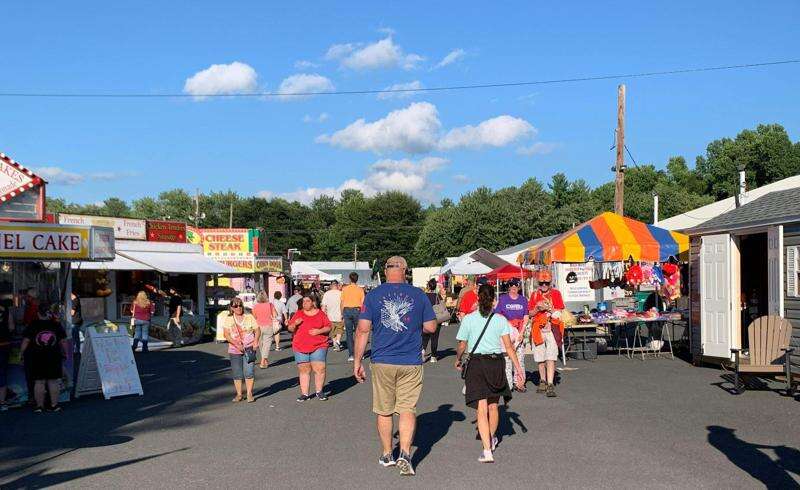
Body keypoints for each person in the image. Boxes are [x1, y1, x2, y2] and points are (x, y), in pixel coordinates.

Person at [354, 256, 437, 477]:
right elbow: (430, 326)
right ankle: (406, 453)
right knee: (407, 408)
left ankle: (388, 453)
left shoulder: (373, 295)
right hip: (410, 360)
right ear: (405, 271)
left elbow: (363, 329)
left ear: (386, 270)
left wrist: (357, 361)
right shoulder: (418, 295)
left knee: (384, 409)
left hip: (382, 360)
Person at [455, 285, 525, 463]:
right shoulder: (500, 320)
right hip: (496, 363)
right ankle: (492, 438)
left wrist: (458, 358)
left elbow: (462, 345)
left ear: (477, 298)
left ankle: (487, 450)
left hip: (477, 363)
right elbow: (508, 347)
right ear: (494, 299)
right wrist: (518, 368)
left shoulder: (469, 319)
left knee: (482, 407)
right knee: (494, 405)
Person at [20, 302, 68, 413]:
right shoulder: (56, 325)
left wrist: (21, 353)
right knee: (53, 381)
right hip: (54, 356)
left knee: (39, 382)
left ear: (38, 313)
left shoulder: (33, 324)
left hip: (36, 357)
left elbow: (26, 341)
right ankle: (54, 405)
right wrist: (66, 353)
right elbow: (63, 341)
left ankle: (39, 406)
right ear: (49, 313)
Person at [287, 294, 332, 402]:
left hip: (319, 345)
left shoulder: (320, 314)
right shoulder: (298, 314)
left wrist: (318, 331)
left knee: (319, 368)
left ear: (313, 302)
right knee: (304, 369)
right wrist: (294, 324)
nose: (305, 303)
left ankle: (319, 391)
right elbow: (290, 328)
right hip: (300, 345)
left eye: (307, 301)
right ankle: (304, 394)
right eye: (303, 301)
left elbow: (328, 327)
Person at [528, 270, 565, 397]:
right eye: (542, 282)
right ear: (538, 282)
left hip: (552, 328)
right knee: (540, 357)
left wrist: (549, 308)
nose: (544, 285)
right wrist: (537, 308)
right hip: (538, 329)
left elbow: (560, 311)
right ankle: (542, 380)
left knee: (551, 356)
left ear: (550, 283)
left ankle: (550, 383)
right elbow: (530, 314)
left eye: (546, 282)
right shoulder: (534, 295)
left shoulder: (556, 293)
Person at [222, 297, 260, 403]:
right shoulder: (229, 319)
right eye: (235, 306)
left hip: (249, 348)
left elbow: (257, 330)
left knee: (249, 371)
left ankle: (249, 393)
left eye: (240, 305)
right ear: (231, 308)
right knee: (237, 373)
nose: (238, 308)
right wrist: (235, 344)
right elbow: (226, 334)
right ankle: (239, 394)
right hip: (234, 349)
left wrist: (256, 340)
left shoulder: (249, 317)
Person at [494, 279, 529, 391]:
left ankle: (519, 382)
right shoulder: (503, 299)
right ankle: (508, 383)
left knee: (520, 358)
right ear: (508, 287)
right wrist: (509, 324)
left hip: (519, 332)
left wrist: (522, 332)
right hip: (507, 332)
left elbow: (526, 316)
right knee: (507, 359)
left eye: (516, 285)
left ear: (519, 287)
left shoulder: (523, 299)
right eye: (511, 285)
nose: (514, 287)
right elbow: (498, 315)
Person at [341, 272, 365, 362]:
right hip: (357, 310)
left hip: (346, 310)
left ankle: (351, 354)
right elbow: (363, 303)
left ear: (349, 279)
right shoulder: (360, 290)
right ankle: (359, 354)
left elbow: (342, 302)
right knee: (359, 334)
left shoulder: (345, 289)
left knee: (349, 334)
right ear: (357, 279)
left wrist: (342, 313)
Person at [253, 291, 277, 369]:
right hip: (268, 325)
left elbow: (254, 317)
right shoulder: (270, 305)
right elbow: (275, 315)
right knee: (267, 343)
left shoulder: (255, 306)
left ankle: (263, 360)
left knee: (261, 344)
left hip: (258, 326)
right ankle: (264, 360)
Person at [422, 278, 442, 363]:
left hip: (425, 318)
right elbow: (442, 306)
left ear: (428, 286)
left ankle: (422, 353)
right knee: (434, 338)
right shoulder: (438, 296)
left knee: (424, 338)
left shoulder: (424, 296)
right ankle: (433, 356)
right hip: (436, 319)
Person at [321, 281, 344, 351]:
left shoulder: (326, 294)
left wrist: (322, 314)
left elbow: (323, 306)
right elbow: (344, 304)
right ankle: (338, 341)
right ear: (337, 285)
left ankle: (334, 343)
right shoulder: (341, 293)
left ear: (331, 286)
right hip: (339, 315)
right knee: (339, 329)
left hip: (329, 316)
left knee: (332, 331)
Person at [0, 298, 13, 411]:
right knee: (2, 372)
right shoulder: (5, 308)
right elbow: (11, 327)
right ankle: (2, 402)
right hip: (4, 343)